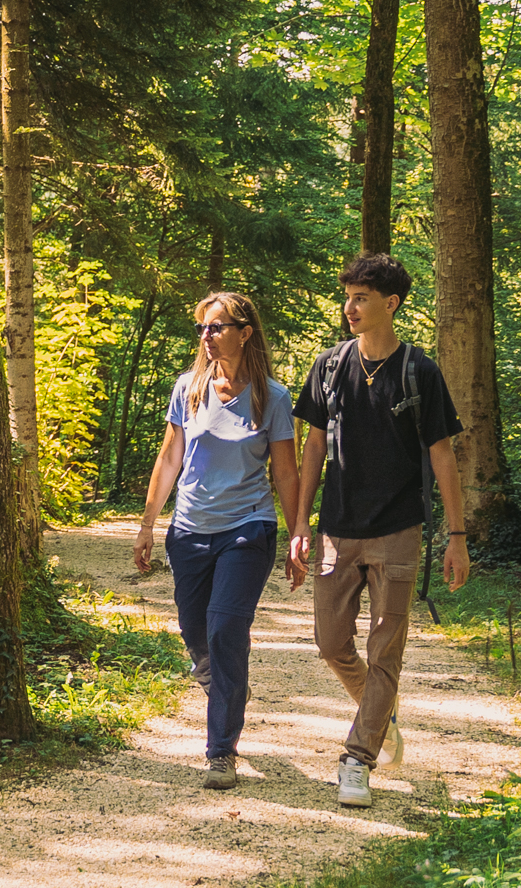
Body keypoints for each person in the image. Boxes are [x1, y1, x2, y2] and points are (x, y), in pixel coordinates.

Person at [285, 253, 468, 809]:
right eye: (348, 296)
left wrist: (457, 537)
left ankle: (357, 758)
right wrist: (299, 523)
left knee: (386, 649)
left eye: (361, 298)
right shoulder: (329, 366)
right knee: (330, 642)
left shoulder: (421, 372)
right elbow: (312, 445)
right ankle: (381, 713)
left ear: (390, 304)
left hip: (398, 530)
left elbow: (442, 456)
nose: (350, 307)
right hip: (338, 529)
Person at [132, 291, 302, 789]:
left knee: (227, 628)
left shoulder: (273, 397)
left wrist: (297, 535)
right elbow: (169, 460)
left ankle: (220, 751)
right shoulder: (188, 388)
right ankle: (225, 686)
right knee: (196, 633)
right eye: (203, 328)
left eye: (217, 327)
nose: (206, 336)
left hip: (248, 527)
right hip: (189, 531)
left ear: (244, 333)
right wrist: (148, 524)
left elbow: (287, 475)